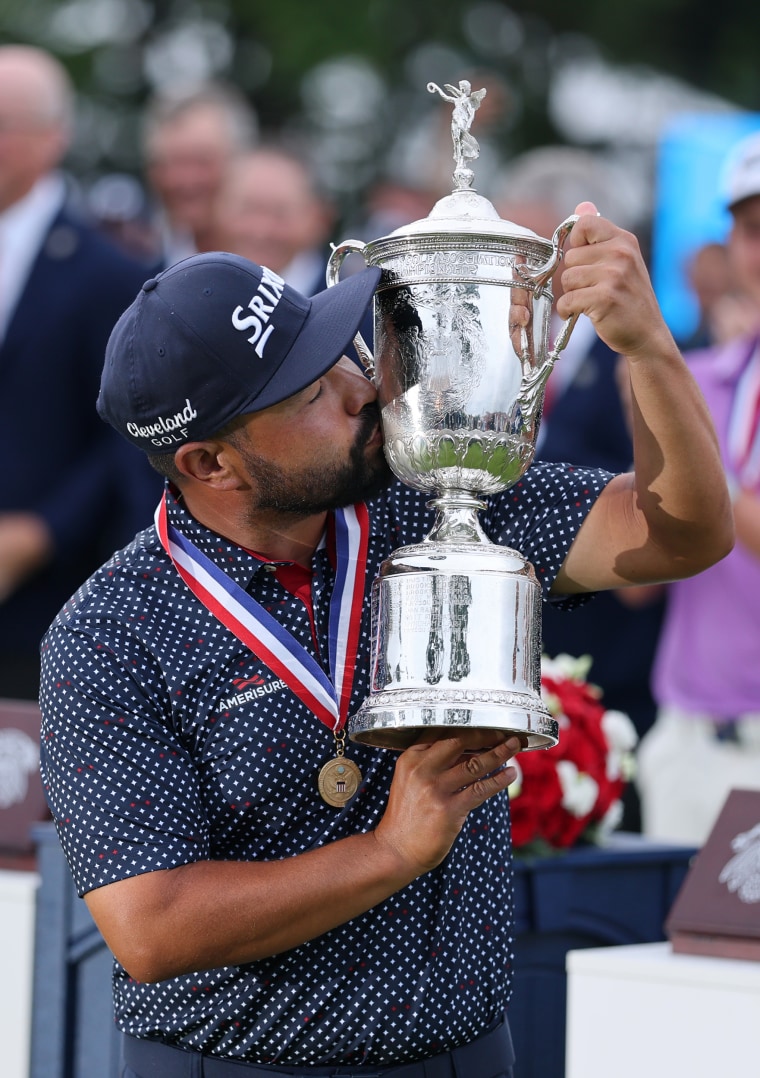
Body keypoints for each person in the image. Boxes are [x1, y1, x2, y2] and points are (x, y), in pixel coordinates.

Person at [39, 201, 732, 1076]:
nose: (362, 391)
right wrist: (389, 850)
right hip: (236, 1063)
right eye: (310, 394)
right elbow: (152, 927)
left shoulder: (432, 496)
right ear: (210, 464)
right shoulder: (109, 634)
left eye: (342, 353)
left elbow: (680, 536)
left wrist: (649, 349)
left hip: (463, 1054)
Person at [495, 148, 665, 830]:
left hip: (612, 683)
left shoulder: (644, 360)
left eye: (532, 252)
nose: (516, 271)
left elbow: (657, 540)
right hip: (510, 673)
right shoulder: (495, 354)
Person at [0, 44, 161, 700]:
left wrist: (41, 533)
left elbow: (123, 433)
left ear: (52, 138)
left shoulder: (109, 273)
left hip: (46, 608)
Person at [637, 131, 760, 846]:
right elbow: (642, 578)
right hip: (688, 736)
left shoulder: (692, 388)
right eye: (752, 230)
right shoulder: (702, 380)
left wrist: (696, 460)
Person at [142, 80, 258, 267]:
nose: (187, 180)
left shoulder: (288, 273)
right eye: (174, 163)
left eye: (202, 161)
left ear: (242, 163)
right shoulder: (135, 267)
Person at [214, 144, 337, 295]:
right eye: (247, 210)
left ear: (318, 219)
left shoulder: (352, 304)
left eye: (280, 214)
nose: (261, 231)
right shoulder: (195, 295)